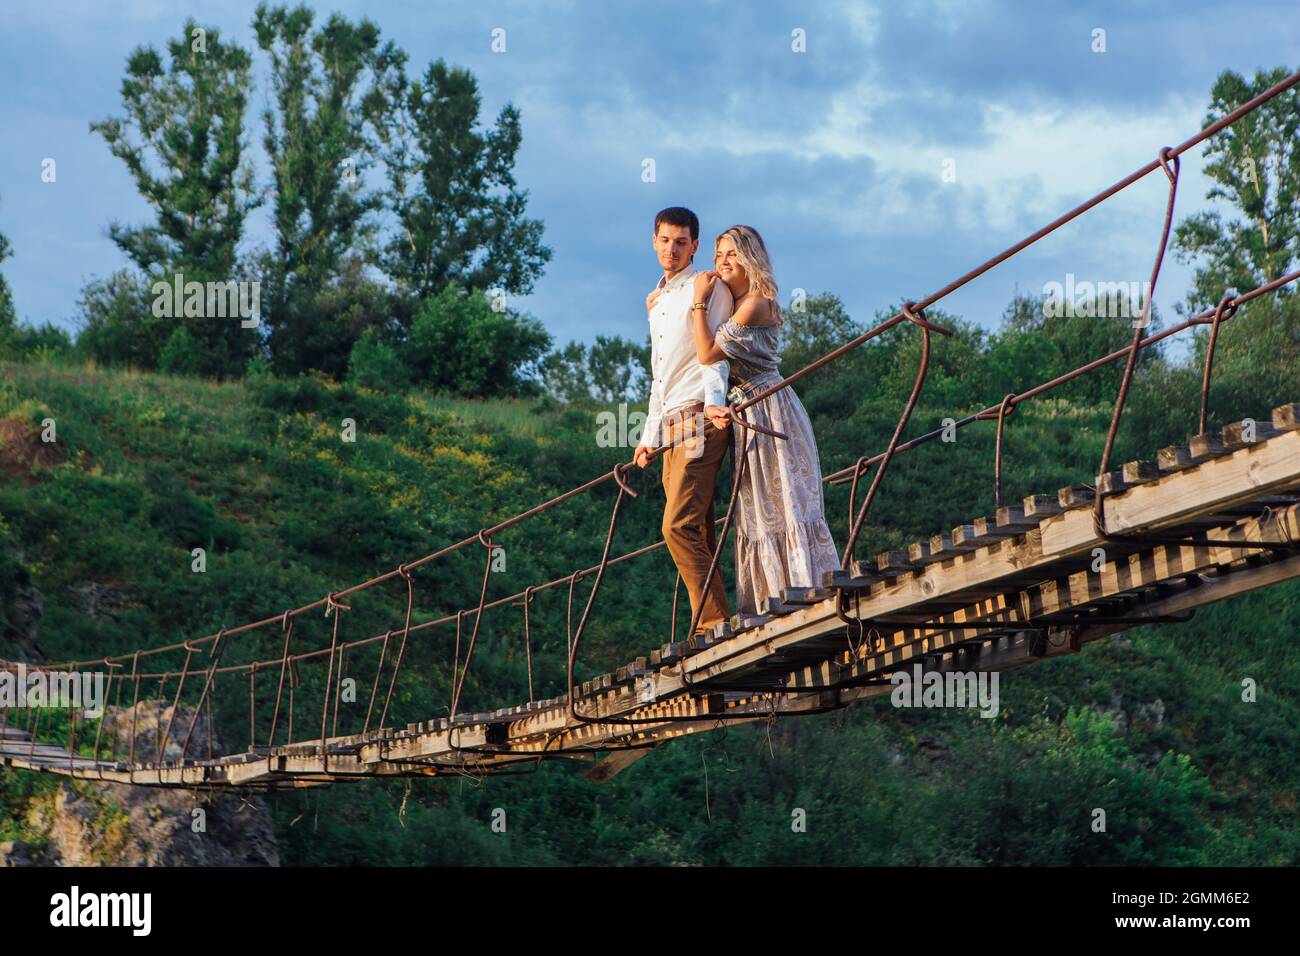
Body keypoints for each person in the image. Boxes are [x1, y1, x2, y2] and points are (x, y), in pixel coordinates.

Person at [689, 225, 840, 615]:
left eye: (731, 254)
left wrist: (697, 303)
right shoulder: (735, 305)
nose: (722, 262)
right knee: (756, 508)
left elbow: (707, 354)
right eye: (718, 255)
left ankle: (804, 591)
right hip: (747, 417)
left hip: (772, 410)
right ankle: (768, 600)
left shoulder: (757, 302)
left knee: (786, 500)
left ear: (750, 258)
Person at [631, 207, 734, 635]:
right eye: (665, 240)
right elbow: (661, 372)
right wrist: (648, 436)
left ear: (694, 245)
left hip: (699, 417)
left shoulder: (706, 287)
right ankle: (711, 620)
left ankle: (713, 625)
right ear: (654, 241)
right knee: (697, 529)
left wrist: (714, 401)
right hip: (670, 425)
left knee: (676, 525)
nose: (671, 248)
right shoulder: (655, 300)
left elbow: (715, 351)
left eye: (681, 242)